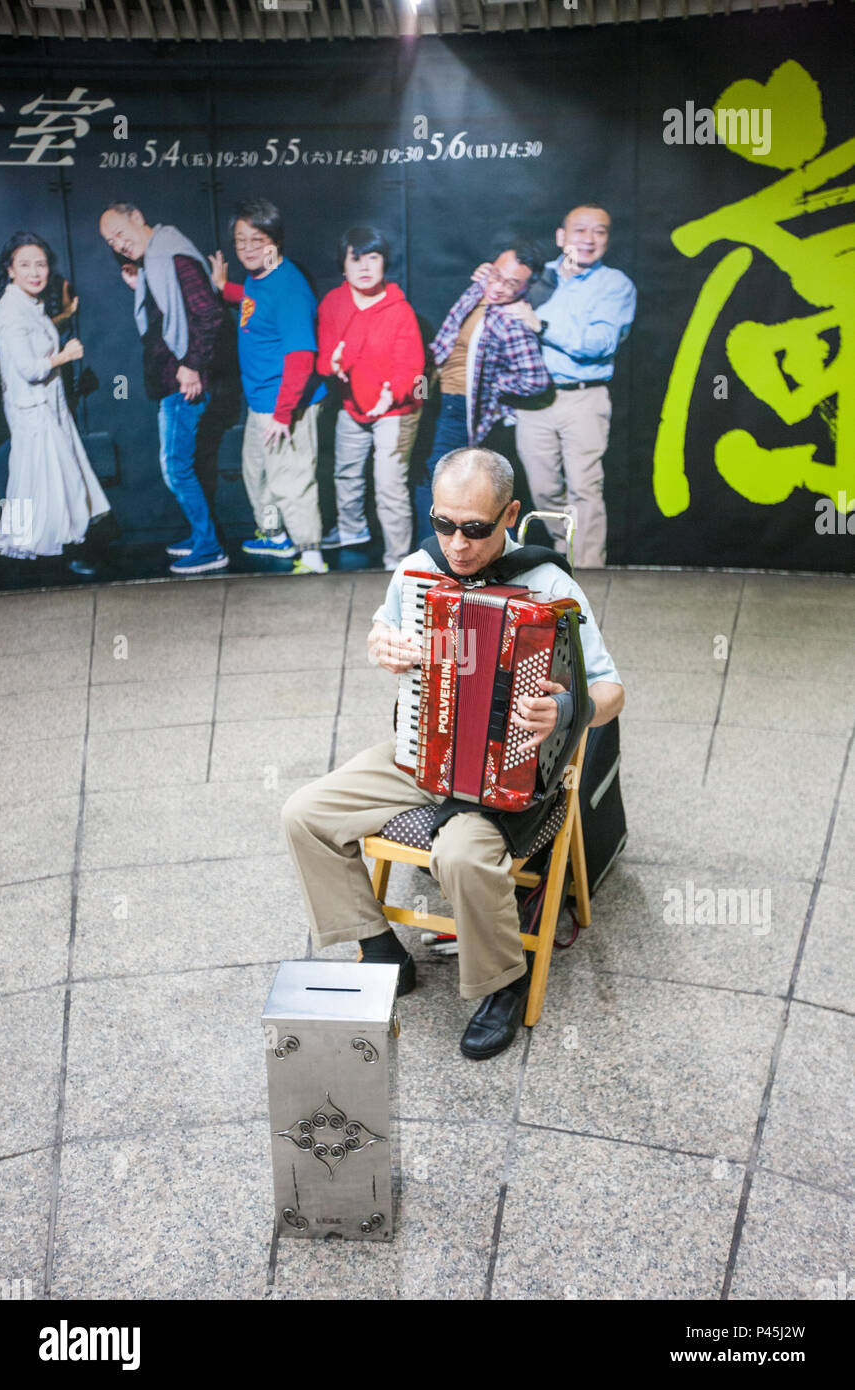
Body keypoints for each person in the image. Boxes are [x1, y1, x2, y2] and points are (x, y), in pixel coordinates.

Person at [282, 447, 624, 1062]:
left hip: (505, 771)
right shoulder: (417, 570)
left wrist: (567, 710)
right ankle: (380, 948)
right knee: (304, 813)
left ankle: (504, 983)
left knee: (461, 856)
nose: (457, 544)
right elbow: (383, 631)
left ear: (510, 515)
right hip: (419, 749)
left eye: (475, 528)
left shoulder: (548, 584)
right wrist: (380, 646)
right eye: (444, 524)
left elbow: (611, 690)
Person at [99, 201, 233, 575]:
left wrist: (192, 365)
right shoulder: (156, 260)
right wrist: (139, 283)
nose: (119, 244)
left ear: (139, 218)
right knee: (178, 465)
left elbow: (209, 314)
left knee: (176, 467)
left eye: (121, 234)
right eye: (111, 241)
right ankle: (200, 534)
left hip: (184, 383)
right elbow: (173, 314)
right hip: (171, 381)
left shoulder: (172, 257)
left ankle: (209, 548)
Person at [209, 199, 328, 575]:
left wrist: (282, 414)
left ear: (275, 241)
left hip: (285, 405)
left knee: (290, 481)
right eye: (240, 240)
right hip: (263, 404)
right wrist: (223, 287)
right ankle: (276, 537)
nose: (246, 247)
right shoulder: (259, 280)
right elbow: (250, 302)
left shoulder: (289, 287)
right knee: (257, 472)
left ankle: (311, 555)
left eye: (256, 239)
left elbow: (301, 358)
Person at [514, 204, 636, 569]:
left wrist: (541, 325)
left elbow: (600, 342)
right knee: (543, 490)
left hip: (584, 397)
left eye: (599, 231)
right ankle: (564, 567)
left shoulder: (615, 285)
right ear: (561, 237)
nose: (589, 239)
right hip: (533, 401)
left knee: (585, 490)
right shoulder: (534, 277)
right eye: (580, 230)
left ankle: (589, 576)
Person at [413, 241, 550, 541]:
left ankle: (436, 555)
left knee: (438, 481)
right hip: (432, 395)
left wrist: (493, 384)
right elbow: (446, 339)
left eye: (511, 283)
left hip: (459, 408)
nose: (498, 286)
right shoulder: (477, 291)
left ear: (526, 288)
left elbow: (536, 380)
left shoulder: (512, 322)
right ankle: (432, 554)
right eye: (496, 275)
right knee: (421, 471)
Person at [0, 233, 111, 571]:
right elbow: (29, 368)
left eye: (40, 264)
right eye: (25, 264)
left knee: (46, 484)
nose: (35, 272)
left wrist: (64, 316)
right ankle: (66, 554)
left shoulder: (27, 305)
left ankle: (52, 556)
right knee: (59, 482)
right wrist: (65, 356)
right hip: (34, 411)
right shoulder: (11, 309)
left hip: (46, 408)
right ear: (10, 269)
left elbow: (33, 338)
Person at [316, 226, 424, 570]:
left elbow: (414, 369)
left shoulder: (400, 309)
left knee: (389, 486)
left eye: (373, 257)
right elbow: (323, 356)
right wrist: (331, 363)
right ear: (343, 265)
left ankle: (398, 562)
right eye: (356, 258)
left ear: (384, 263)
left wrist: (391, 394)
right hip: (353, 405)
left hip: (398, 408)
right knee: (346, 474)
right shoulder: (333, 302)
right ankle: (352, 533)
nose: (364, 266)